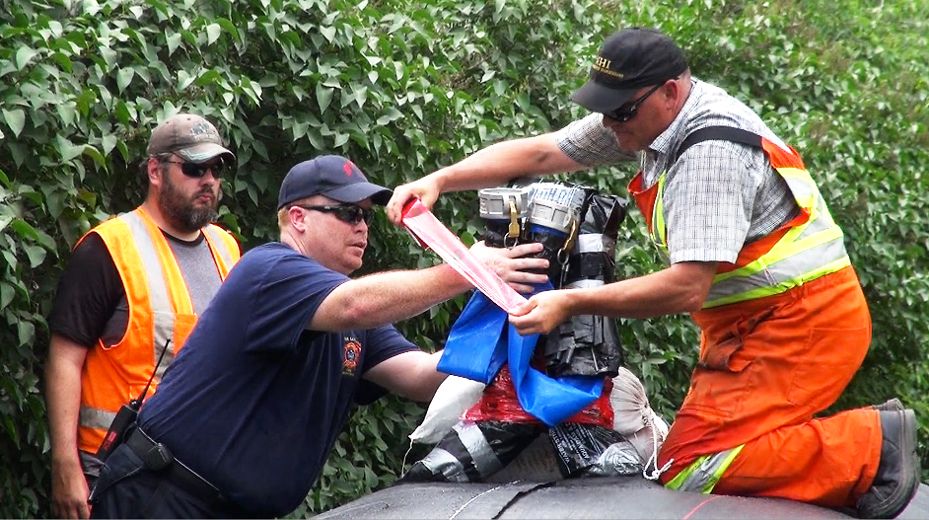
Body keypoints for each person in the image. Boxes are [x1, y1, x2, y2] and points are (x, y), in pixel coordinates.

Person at [385, 27, 919, 519]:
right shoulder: (643, 120)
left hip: (803, 324)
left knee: (692, 467)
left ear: (669, 91)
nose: (612, 126)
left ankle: (871, 445)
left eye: (623, 113)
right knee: (692, 460)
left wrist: (570, 303)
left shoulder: (709, 151)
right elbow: (545, 151)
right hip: (748, 326)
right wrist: (440, 179)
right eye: (606, 111)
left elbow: (688, 286)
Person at [87, 154, 549, 518]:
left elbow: (427, 377)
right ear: (298, 218)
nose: (362, 226)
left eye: (366, 216)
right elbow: (355, 304)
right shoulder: (269, 271)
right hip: (164, 498)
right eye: (347, 213)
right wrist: (469, 270)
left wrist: (521, 319)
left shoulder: (352, 321)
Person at [45, 113, 242, 519]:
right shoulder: (109, 248)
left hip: (202, 476)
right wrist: (65, 465)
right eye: (193, 168)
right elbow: (64, 358)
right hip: (118, 474)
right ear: (155, 170)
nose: (208, 179)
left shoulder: (226, 248)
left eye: (216, 168)